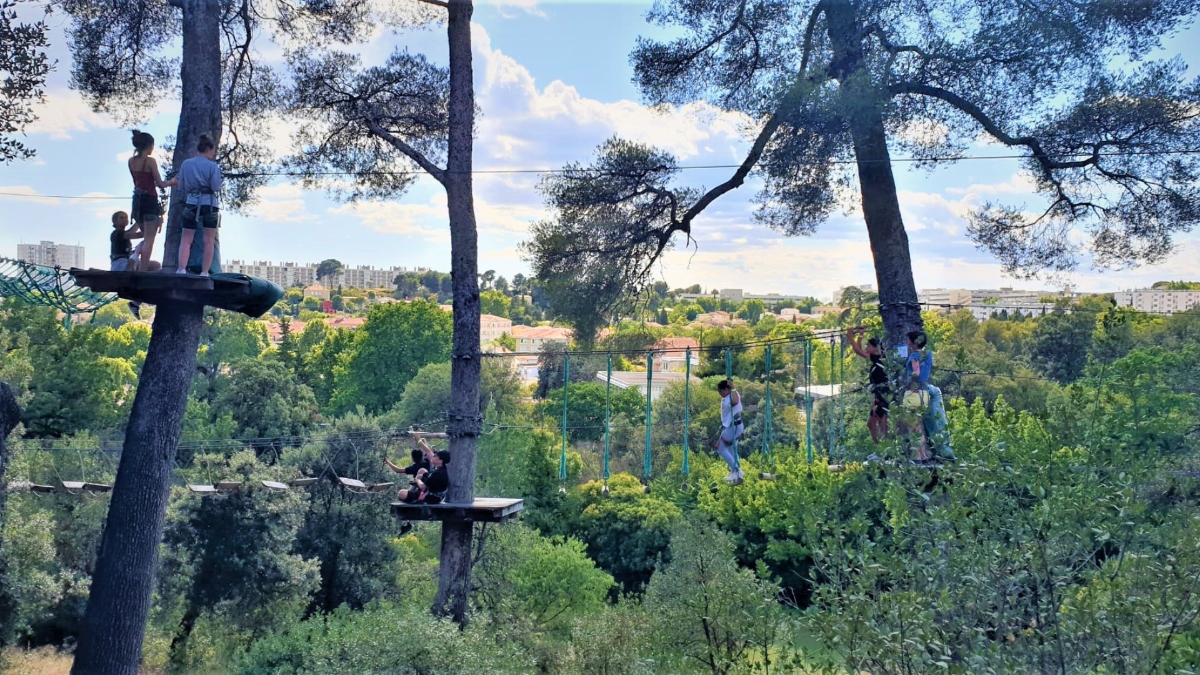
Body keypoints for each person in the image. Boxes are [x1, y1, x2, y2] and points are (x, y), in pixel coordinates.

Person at [127, 130, 176, 270]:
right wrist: (172, 182)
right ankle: (142, 269)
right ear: (149, 145)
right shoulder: (150, 161)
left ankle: (135, 256)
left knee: (145, 234)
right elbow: (160, 183)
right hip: (149, 201)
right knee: (150, 238)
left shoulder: (131, 161)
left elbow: (139, 182)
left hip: (137, 202)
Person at [175, 134, 222, 276]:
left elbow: (182, 185)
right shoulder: (212, 166)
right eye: (213, 150)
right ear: (208, 148)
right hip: (209, 203)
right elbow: (216, 186)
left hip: (192, 201)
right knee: (208, 240)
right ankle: (205, 271)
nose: (214, 153)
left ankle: (181, 269)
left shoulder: (186, 164)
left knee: (186, 238)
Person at [906, 330, 955, 461]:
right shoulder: (927, 354)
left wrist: (907, 380)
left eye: (908, 340)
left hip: (915, 391)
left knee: (915, 426)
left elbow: (916, 372)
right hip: (926, 389)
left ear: (913, 342)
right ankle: (943, 449)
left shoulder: (913, 356)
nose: (907, 342)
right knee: (933, 419)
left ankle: (919, 456)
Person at [847, 327, 889, 442]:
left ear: (876, 348)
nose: (866, 348)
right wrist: (860, 335)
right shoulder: (876, 358)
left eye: (868, 346)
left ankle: (885, 448)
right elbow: (860, 350)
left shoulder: (880, 359)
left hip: (884, 394)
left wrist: (850, 336)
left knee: (881, 421)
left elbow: (857, 350)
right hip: (878, 395)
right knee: (871, 424)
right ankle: (878, 445)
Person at [109, 211, 144, 317]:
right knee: (133, 260)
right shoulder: (116, 234)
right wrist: (141, 220)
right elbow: (137, 234)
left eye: (126, 217)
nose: (125, 219)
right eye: (121, 218)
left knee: (155, 265)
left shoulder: (126, 236)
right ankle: (130, 283)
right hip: (119, 265)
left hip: (127, 263)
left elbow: (141, 234)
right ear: (115, 221)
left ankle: (136, 302)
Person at [715, 379, 745, 484]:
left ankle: (736, 470)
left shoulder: (732, 396)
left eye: (721, 391)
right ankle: (737, 471)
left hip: (734, 427)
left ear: (727, 389)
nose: (720, 394)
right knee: (731, 448)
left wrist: (733, 387)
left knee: (720, 448)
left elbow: (736, 401)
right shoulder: (728, 396)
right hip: (734, 426)